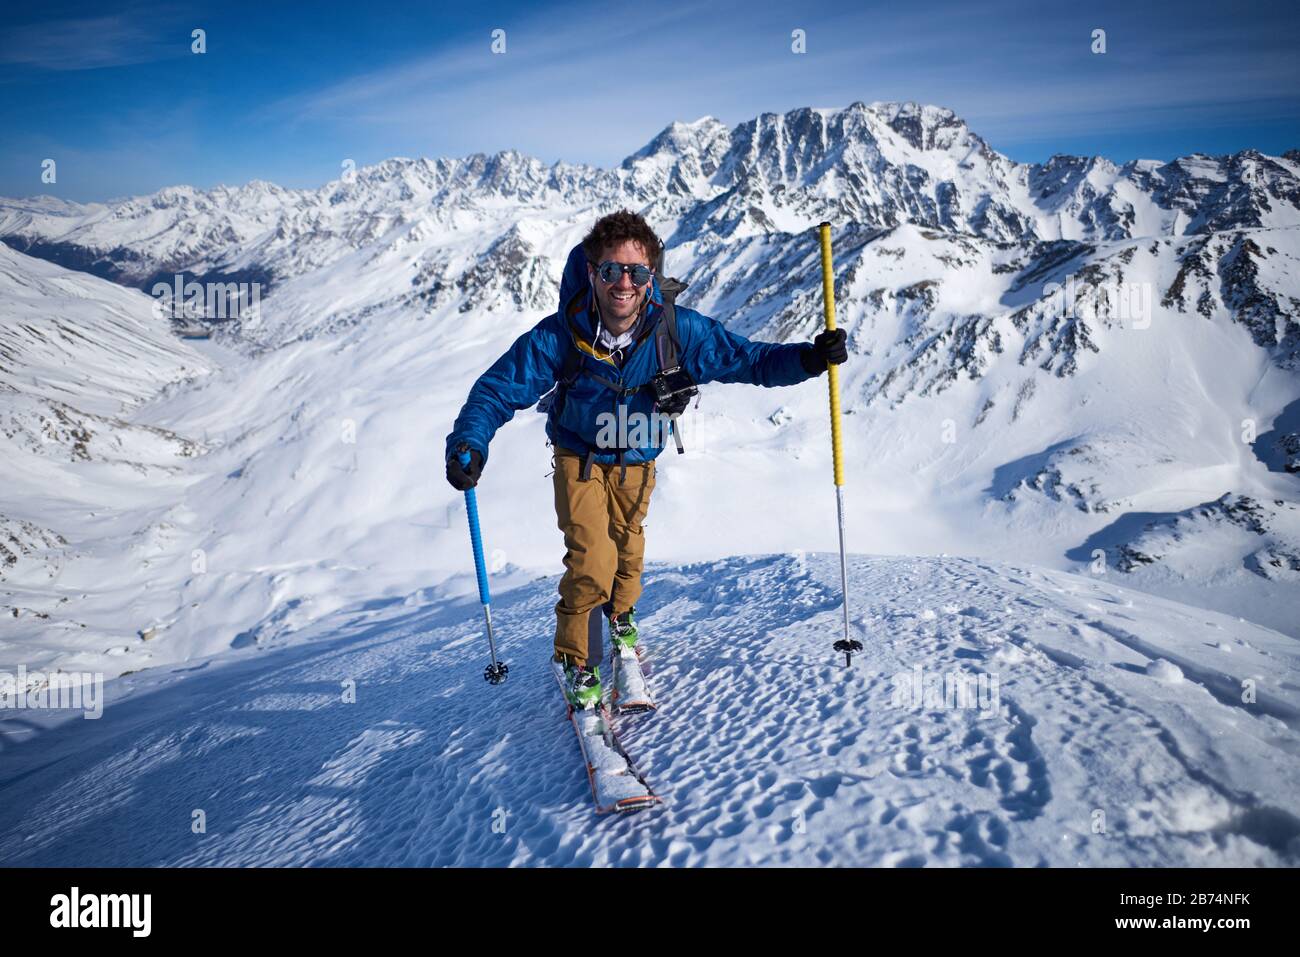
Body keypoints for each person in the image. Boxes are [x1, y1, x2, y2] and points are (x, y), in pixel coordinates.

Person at [445, 210, 847, 708]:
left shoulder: (678, 332)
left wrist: (809, 359)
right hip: (580, 456)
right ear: (592, 273)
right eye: (612, 270)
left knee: (628, 555)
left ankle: (621, 618)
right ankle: (577, 661)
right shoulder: (560, 336)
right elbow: (497, 390)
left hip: (638, 456)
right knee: (592, 561)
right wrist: (470, 442)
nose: (624, 283)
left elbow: (751, 360)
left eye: (637, 272)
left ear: (650, 278)